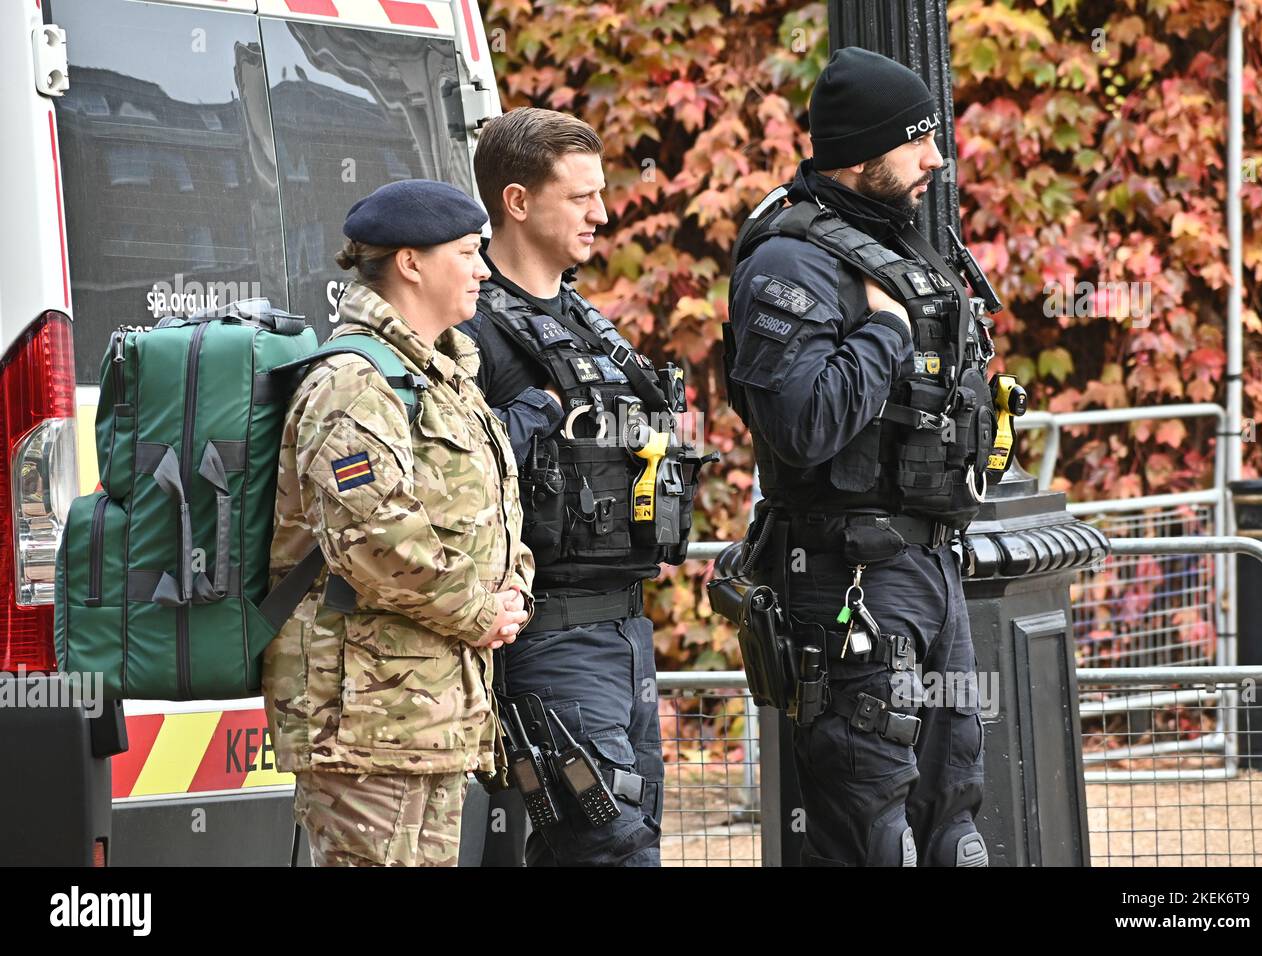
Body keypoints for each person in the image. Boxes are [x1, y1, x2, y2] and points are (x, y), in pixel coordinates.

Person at [725, 47, 1005, 866]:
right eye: (917, 140)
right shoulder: (791, 260)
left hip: (929, 567)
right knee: (871, 834)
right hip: (847, 577)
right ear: (860, 148)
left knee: (953, 818)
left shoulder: (905, 247)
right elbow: (802, 425)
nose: (937, 160)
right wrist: (883, 332)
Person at [464, 107, 712, 866]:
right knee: (611, 850)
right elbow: (452, 473)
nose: (604, 215)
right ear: (517, 201)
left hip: (625, 634)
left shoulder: (586, 325)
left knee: (619, 845)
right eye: (582, 198)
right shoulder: (469, 326)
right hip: (549, 637)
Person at [261, 179, 534, 867]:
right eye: (469, 252)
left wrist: (513, 595)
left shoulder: (444, 378)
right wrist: (481, 612)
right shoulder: (355, 383)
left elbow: (493, 517)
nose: (482, 268)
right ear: (410, 262)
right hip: (365, 726)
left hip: (426, 717)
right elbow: (374, 542)